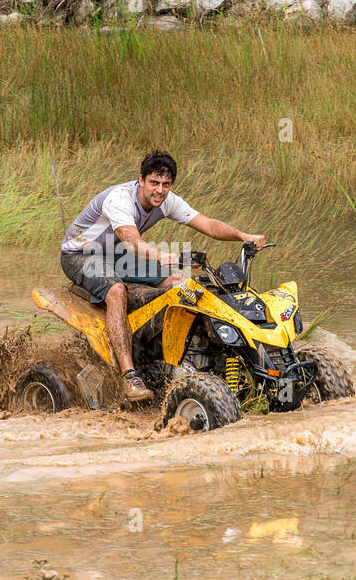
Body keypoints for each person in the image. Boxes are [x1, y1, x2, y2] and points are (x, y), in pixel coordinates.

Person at [59, 151, 266, 402]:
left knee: (177, 282)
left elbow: (208, 225)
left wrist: (244, 236)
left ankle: (162, 353)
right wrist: (158, 255)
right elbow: (133, 243)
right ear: (141, 180)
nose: (159, 190)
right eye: (154, 183)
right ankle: (130, 376)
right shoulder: (119, 199)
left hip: (115, 254)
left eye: (166, 184)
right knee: (116, 291)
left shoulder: (168, 200)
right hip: (80, 254)